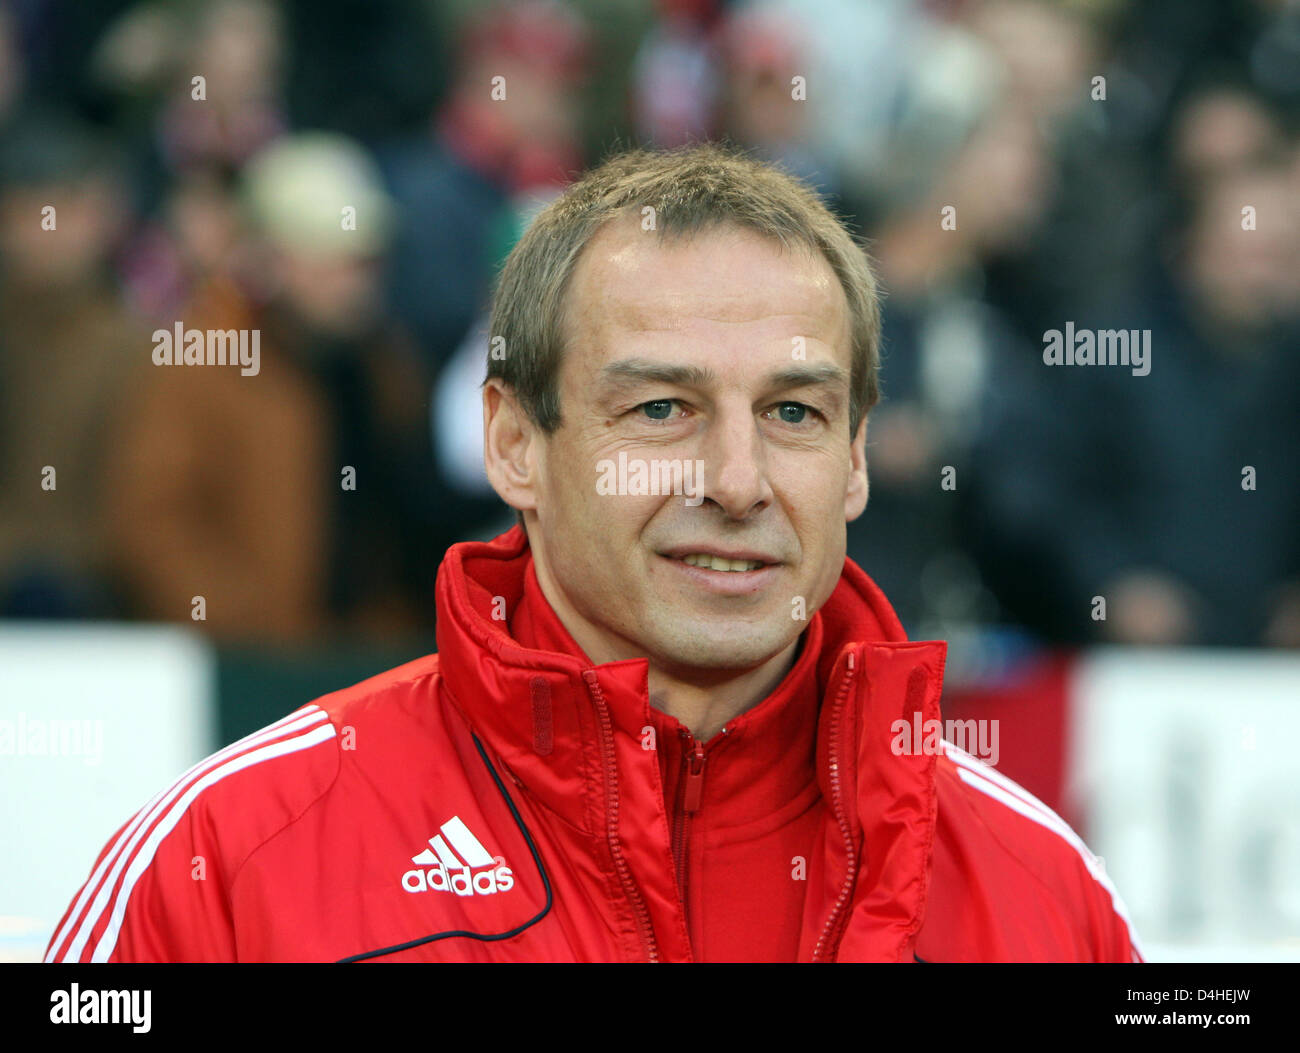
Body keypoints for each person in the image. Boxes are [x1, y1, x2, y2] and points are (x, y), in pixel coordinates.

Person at [45, 142, 1142, 962]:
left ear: (856, 459)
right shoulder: (225, 857)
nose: (736, 479)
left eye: (795, 414)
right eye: (662, 408)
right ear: (515, 446)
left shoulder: (1043, 893)